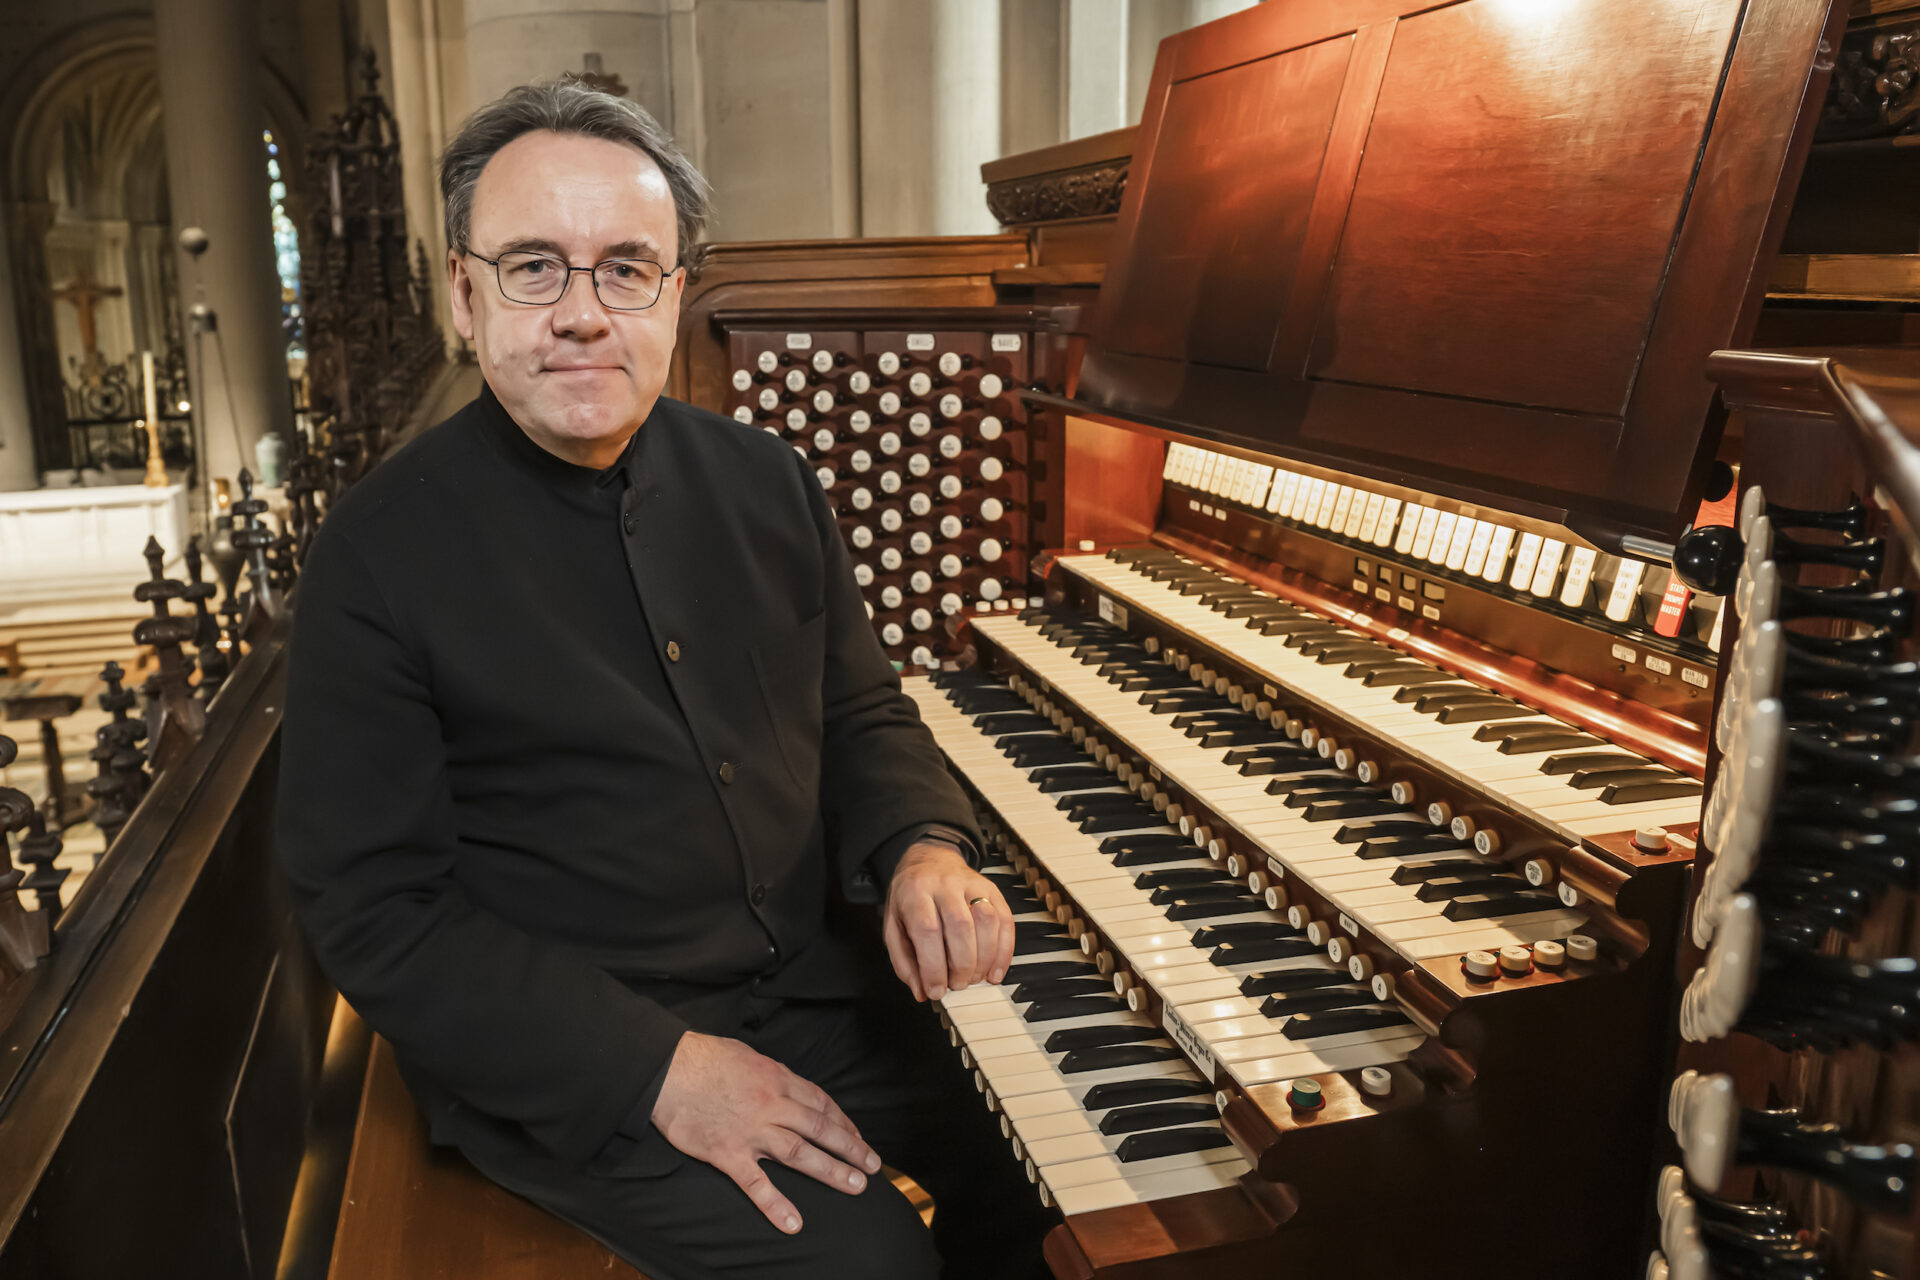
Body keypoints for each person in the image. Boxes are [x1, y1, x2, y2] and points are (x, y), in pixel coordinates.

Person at [277, 78, 1057, 1279]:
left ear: (677, 291)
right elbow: (376, 909)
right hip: (580, 1040)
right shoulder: (375, 553)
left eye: (626, 267)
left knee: (1074, 1154)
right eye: (536, 266)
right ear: (463, 291)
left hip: (818, 984)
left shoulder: (765, 479)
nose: (583, 313)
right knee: (872, 1262)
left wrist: (921, 844)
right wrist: (656, 1069)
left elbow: (860, 706)